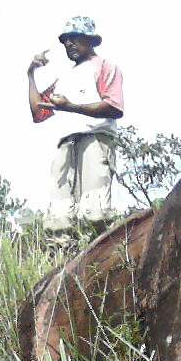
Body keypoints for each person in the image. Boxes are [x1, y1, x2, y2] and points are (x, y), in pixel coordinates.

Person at [26, 16, 124, 235]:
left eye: (75, 38)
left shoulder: (105, 67)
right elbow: (38, 111)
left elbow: (114, 106)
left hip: (95, 139)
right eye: (66, 40)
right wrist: (31, 73)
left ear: (90, 40)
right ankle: (65, 260)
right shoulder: (64, 77)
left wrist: (71, 107)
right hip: (66, 143)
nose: (69, 44)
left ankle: (100, 262)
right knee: (59, 218)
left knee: (95, 212)